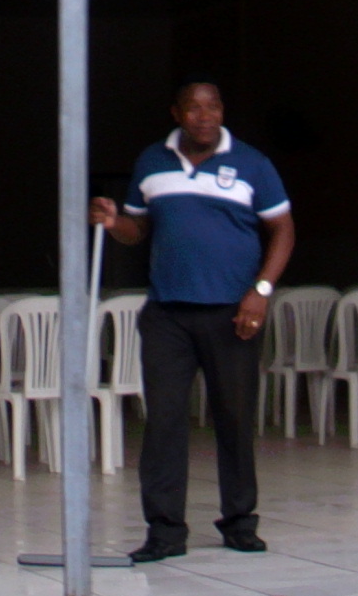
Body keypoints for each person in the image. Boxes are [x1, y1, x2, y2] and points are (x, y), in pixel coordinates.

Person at [91, 79, 295, 563]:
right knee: (163, 422)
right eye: (194, 108)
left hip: (233, 312)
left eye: (213, 107)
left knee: (235, 417)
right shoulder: (152, 161)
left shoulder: (252, 163)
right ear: (177, 114)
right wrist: (113, 221)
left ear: (222, 111)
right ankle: (164, 530)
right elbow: (138, 229)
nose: (205, 116)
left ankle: (239, 521)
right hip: (168, 313)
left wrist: (261, 292)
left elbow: (283, 229)